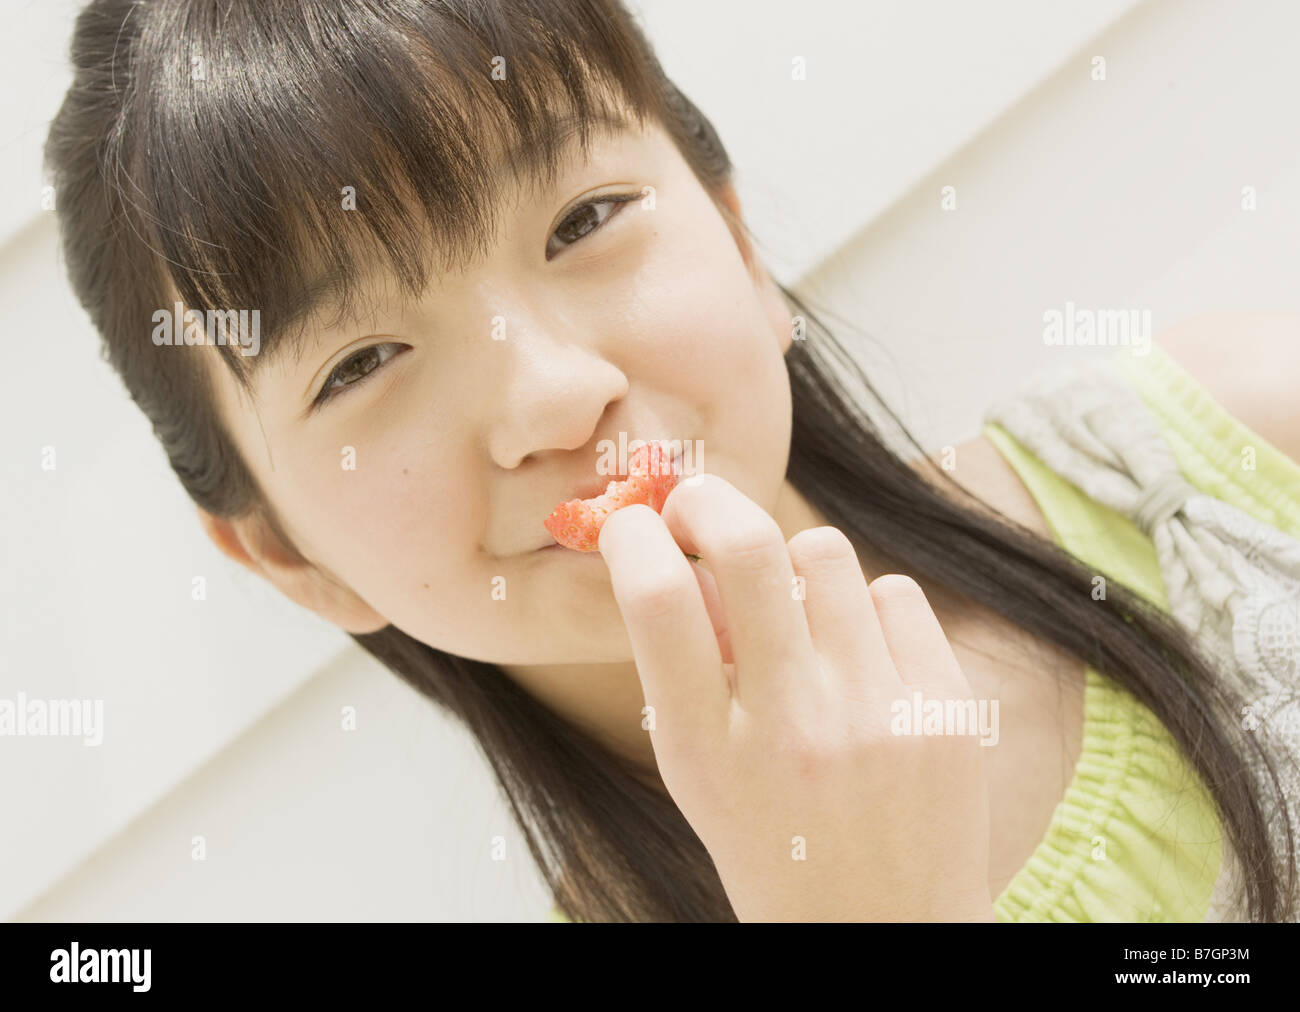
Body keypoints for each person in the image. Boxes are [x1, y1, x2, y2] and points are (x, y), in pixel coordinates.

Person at [44, 0, 1300, 921]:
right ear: (285, 556)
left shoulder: (1229, 458)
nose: (552, 394)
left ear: (738, 242)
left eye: (584, 220)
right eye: (360, 361)